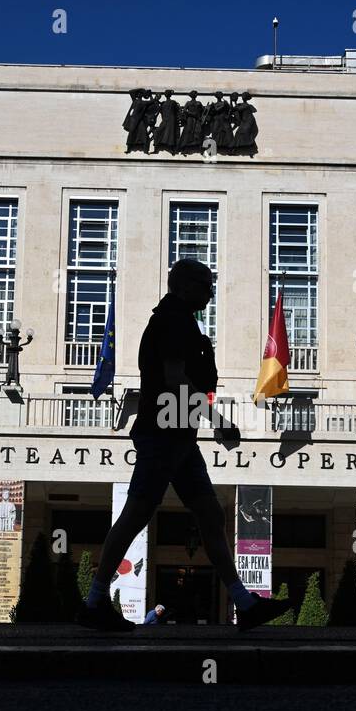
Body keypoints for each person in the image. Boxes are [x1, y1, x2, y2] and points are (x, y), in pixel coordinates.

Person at [76, 258, 293, 632]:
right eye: (205, 284)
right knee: (136, 514)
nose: (211, 291)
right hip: (164, 434)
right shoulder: (173, 321)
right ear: (184, 286)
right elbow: (175, 379)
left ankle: (244, 602)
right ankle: (95, 601)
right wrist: (219, 421)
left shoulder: (180, 320)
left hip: (177, 434)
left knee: (210, 514)